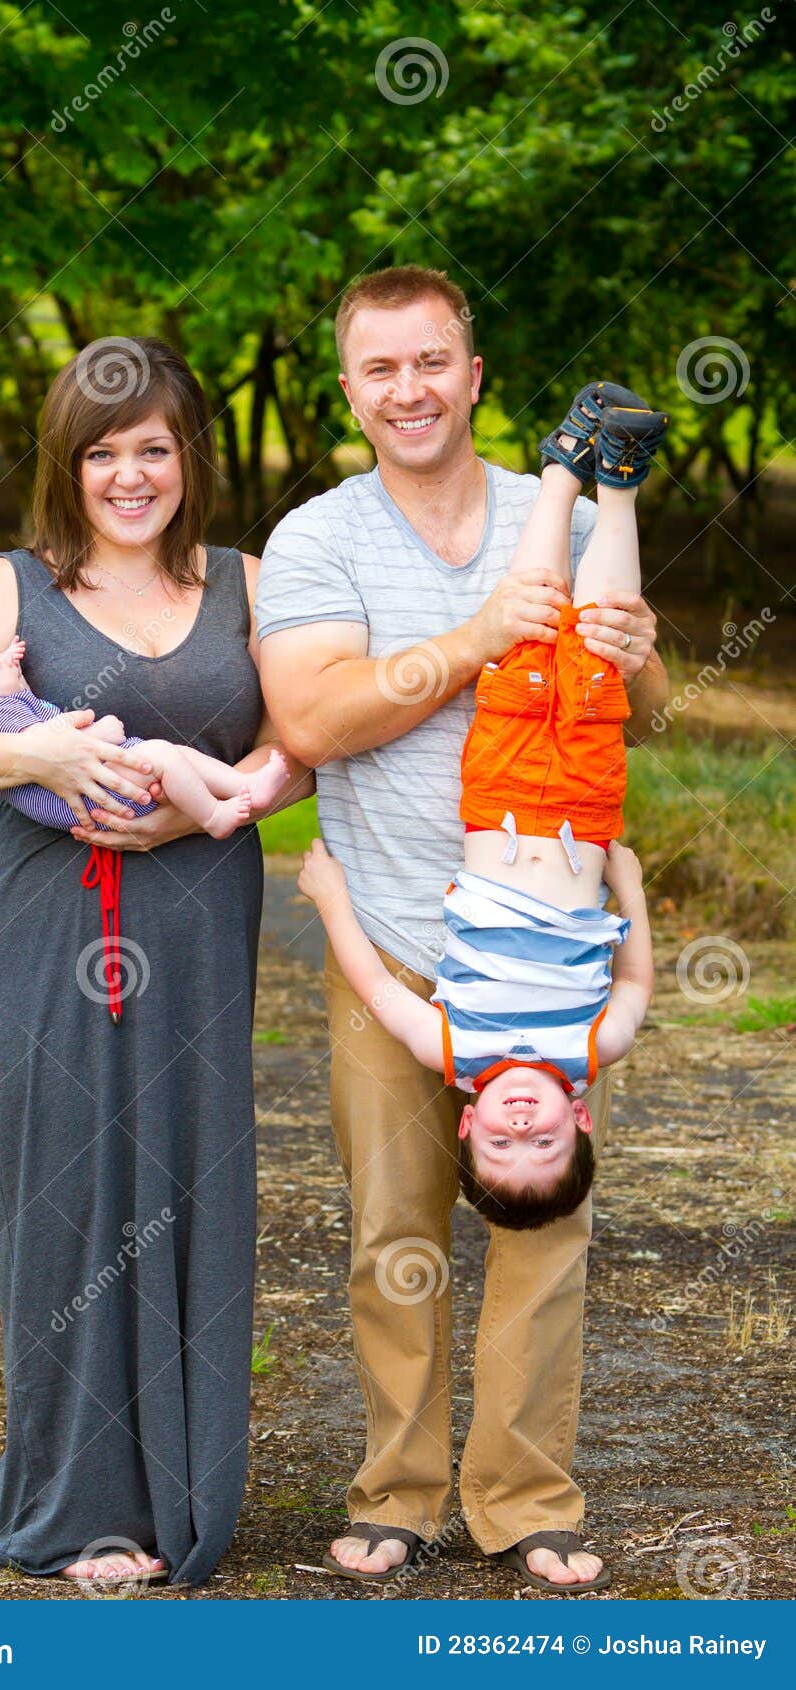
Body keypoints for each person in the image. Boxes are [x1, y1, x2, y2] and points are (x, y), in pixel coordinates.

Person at [256, 266, 670, 1591]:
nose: (408, 389)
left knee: (541, 1241)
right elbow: (312, 721)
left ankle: (522, 1496)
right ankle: (397, 1488)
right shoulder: (320, 538)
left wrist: (637, 644)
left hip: (546, 959)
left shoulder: (521, 512)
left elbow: (637, 709)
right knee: (394, 1235)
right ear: (348, 392)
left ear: (472, 375)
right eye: (378, 369)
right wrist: (476, 632)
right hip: (390, 943)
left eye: (430, 361)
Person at [0, 336, 310, 1587]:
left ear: (191, 457)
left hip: (194, 922)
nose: (129, 476)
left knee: (186, 1179)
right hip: (42, 920)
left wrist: (203, 806)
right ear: (66, 467)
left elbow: (300, 745)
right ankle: (77, 1504)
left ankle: (177, 1485)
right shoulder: (8, 585)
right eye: (101, 453)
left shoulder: (248, 578)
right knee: (66, 1195)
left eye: (153, 450)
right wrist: (45, 760)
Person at [296, 382, 665, 1236]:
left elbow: (379, 994)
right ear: (579, 1121)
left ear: (469, 1123)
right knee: (603, 642)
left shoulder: (455, 1052)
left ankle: (560, 475)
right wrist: (632, 890)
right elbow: (638, 979)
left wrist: (329, 897)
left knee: (529, 630)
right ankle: (616, 482)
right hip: (582, 807)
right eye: (546, 1148)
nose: (523, 1131)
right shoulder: (591, 1050)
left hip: (494, 801)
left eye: (502, 1149)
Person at [0, 629, 290, 839]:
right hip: (86, 795)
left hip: (88, 787)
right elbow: (51, 747)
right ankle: (215, 815)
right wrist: (101, 732)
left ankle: (244, 785)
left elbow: (28, 707)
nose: (4, 662)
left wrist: (4, 666)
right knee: (164, 755)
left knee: (173, 755)